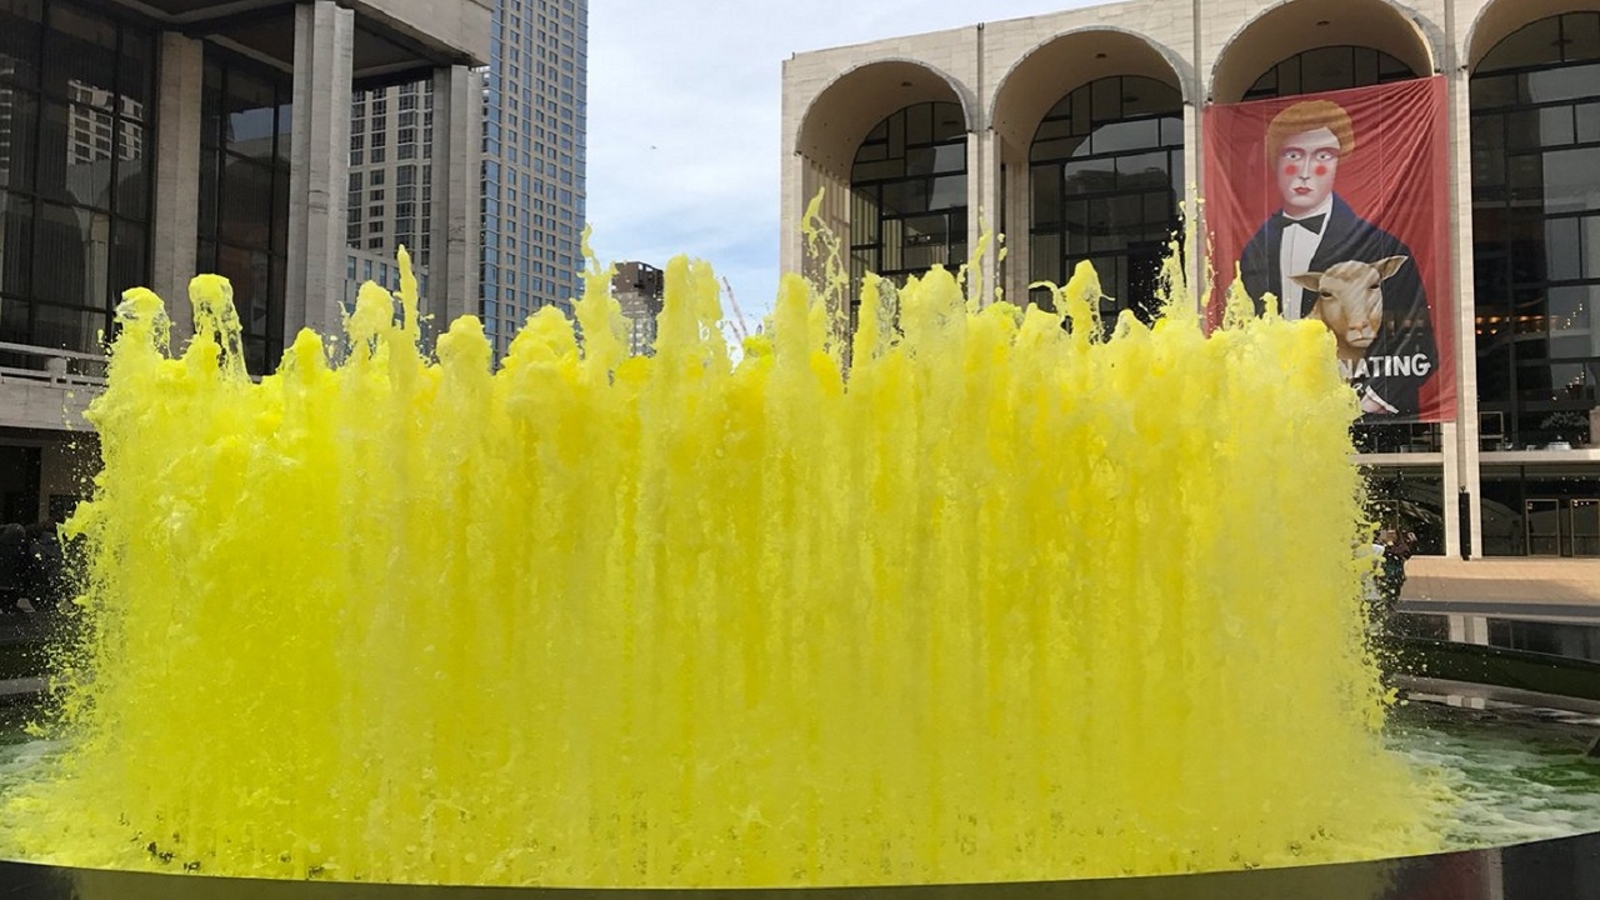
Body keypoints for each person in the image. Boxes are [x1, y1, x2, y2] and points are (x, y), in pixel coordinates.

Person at [1237, 99, 1439, 419]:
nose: (1305, 172)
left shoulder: (1381, 246)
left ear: (1337, 163)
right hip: (1273, 410)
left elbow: (1419, 342)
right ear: (1275, 163)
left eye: (1322, 156)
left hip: (1353, 412)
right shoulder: (1254, 249)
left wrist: (1365, 405)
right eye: (1293, 155)